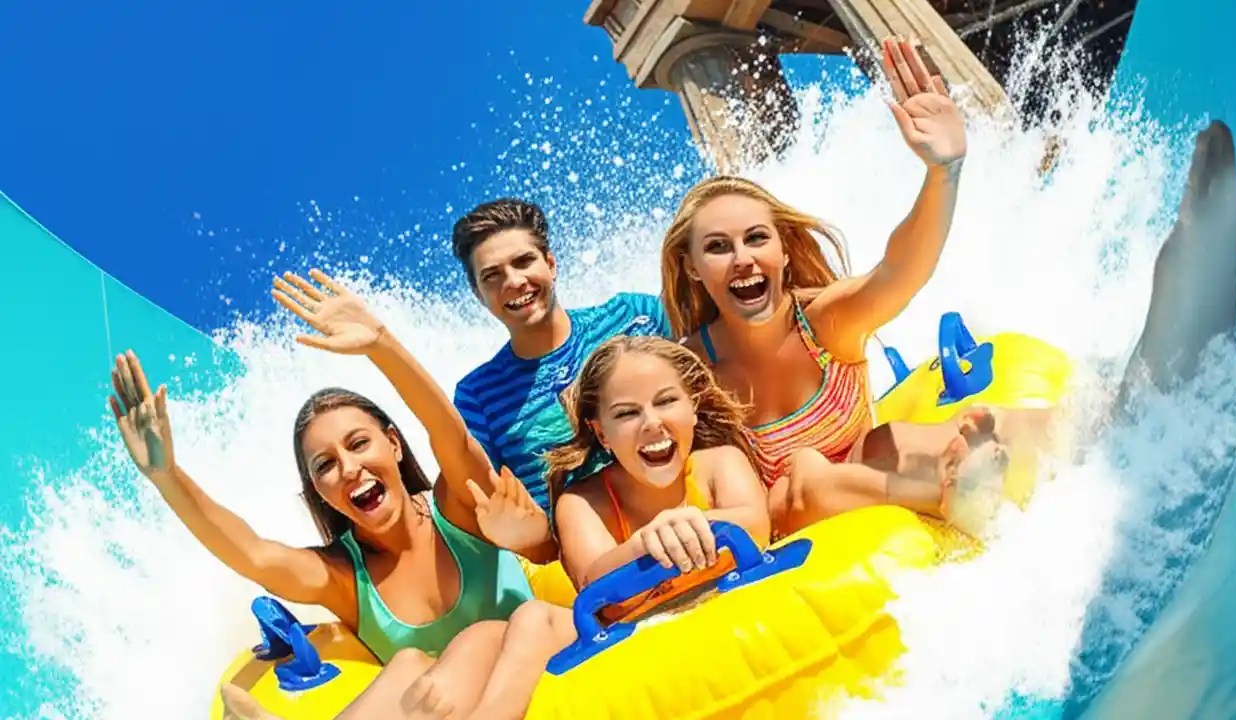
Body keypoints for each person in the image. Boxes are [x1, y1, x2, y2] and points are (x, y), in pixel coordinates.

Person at [110, 269, 543, 719]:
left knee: (480, 638)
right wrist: (166, 475)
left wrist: (381, 344)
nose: (349, 469)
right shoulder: (344, 577)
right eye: (325, 465)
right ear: (317, 492)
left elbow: (451, 436)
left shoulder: (459, 509)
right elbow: (253, 555)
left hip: (537, 673)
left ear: (394, 444)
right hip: (432, 706)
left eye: (358, 444)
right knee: (408, 664)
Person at [658, 37, 989, 537]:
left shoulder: (822, 323)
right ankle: (940, 493)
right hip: (793, 526)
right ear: (692, 269)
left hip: (871, 481)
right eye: (719, 247)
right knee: (804, 474)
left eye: (756, 238)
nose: (743, 258)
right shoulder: (688, 371)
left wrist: (944, 173)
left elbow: (899, 273)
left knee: (894, 440)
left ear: (784, 251)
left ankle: (1094, 418)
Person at [396, 335, 771, 719]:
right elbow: (593, 582)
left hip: (728, 609)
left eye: (666, 401)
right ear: (601, 433)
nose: (651, 423)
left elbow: (756, 525)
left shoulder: (719, 464)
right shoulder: (582, 502)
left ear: (693, 407)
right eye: (626, 414)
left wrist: (692, 522)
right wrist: (647, 541)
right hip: (632, 632)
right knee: (529, 620)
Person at [448, 198, 672, 521]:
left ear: (550, 264)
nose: (513, 282)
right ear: (478, 294)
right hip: (582, 548)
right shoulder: (477, 396)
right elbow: (487, 508)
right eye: (492, 276)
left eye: (523, 261)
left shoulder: (633, 316)